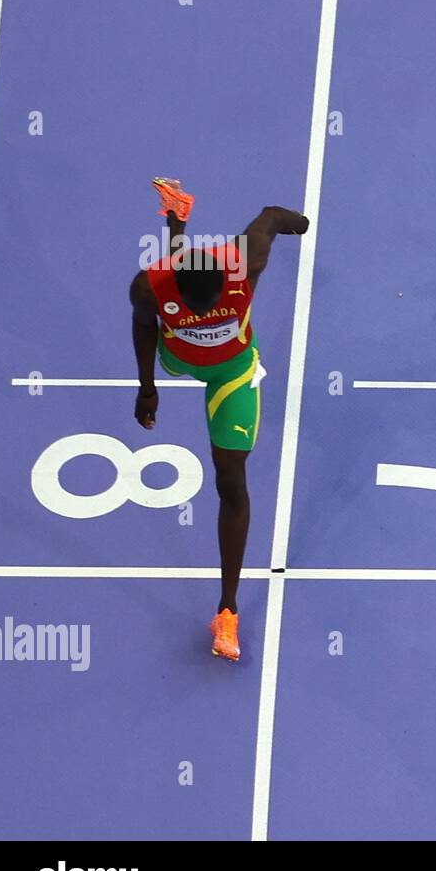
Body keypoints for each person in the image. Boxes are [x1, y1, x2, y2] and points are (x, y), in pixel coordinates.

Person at [129, 178, 308, 659]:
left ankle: (226, 612)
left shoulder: (247, 262)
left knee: (231, 481)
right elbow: (144, 324)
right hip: (178, 358)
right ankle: (177, 220)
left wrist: (299, 224)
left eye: (214, 306)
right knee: (177, 263)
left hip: (232, 371)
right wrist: (148, 387)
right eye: (197, 306)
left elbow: (271, 212)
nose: (208, 313)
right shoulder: (151, 285)